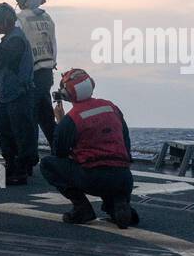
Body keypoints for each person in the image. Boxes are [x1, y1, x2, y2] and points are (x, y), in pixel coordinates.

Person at [40, 68, 139, 228]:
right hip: (124, 178)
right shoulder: (111, 107)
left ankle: (82, 208)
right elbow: (125, 142)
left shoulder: (72, 118)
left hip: (93, 178)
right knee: (111, 175)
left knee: (47, 164)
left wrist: (60, 122)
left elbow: (59, 152)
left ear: (67, 93)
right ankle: (118, 204)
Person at [0, 2, 37, 184]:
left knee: (19, 131)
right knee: (2, 128)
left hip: (18, 95)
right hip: (6, 93)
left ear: (7, 21)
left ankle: (21, 168)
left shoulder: (15, 39)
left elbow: (9, 60)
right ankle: (12, 163)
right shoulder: (9, 38)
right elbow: (6, 69)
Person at [14, 0, 57, 147]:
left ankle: (28, 156)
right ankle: (59, 149)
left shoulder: (20, 18)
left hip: (29, 74)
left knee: (28, 117)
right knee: (46, 116)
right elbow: (54, 44)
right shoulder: (47, 18)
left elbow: (16, 47)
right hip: (46, 73)